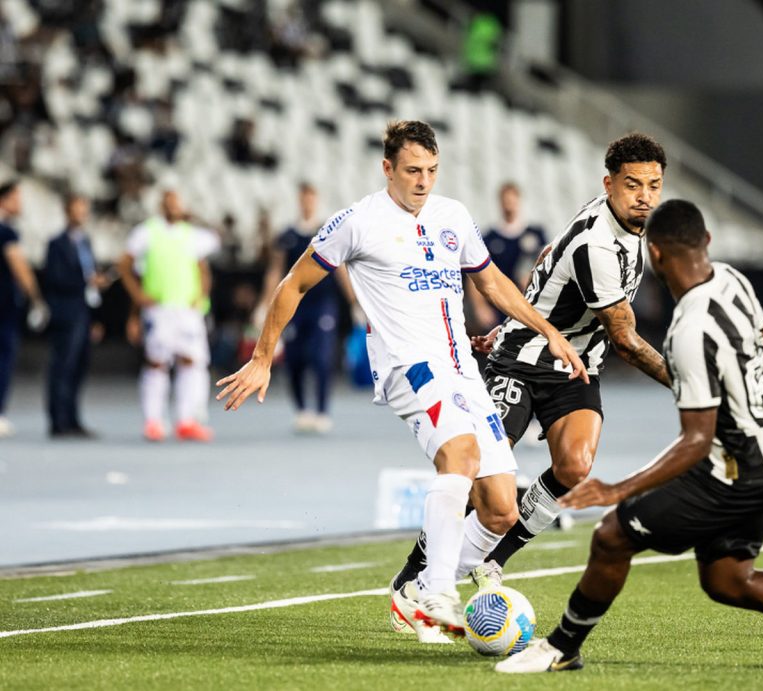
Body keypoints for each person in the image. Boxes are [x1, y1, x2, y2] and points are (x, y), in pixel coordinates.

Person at [495, 199, 763, 677]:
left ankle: (561, 648)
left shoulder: (688, 329)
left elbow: (696, 442)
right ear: (706, 241)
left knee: (612, 535)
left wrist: (619, 489)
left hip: (736, 467)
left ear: (655, 254)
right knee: (728, 580)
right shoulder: (732, 279)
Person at [215, 120, 587, 641]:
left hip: (463, 370)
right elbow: (293, 284)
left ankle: (415, 591)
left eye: (432, 170)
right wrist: (262, 356)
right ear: (387, 168)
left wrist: (547, 330)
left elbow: (493, 283)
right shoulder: (357, 222)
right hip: (407, 367)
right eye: (412, 170)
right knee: (460, 456)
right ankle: (438, 594)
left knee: (501, 510)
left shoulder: (452, 215)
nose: (423, 180)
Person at [390, 133, 671, 605]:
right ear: (609, 184)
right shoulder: (597, 245)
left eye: (654, 185)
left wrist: (507, 320)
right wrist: (687, 385)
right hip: (522, 360)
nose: (644, 196)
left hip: (576, 365)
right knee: (479, 476)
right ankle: (413, 576)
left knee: (575, 465)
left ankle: (492, 561)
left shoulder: (621, 223)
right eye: (632, 185)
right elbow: (625, 340)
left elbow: (546, 259)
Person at [118, 188, 220, 442]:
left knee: (191, 361)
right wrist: (138, 297)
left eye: (177, 203)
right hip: (160, 309)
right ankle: (153, 421)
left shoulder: (191, 234)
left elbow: (204, 265)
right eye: (169, 203)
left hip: (187, 310)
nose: (174, 207)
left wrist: (201, 295)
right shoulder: (147, 232)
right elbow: (125, 266)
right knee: (157, 362)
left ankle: (186, 420)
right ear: (161, 206)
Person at [257, 182, 358, 433]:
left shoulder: (327, 231)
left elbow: (341, 269)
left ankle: (322, 411)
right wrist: (264, 304)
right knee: (294, 359)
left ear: (316, 200)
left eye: (311, 198)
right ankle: (302, 410)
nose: (307, 203)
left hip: (322, 304)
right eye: (304, 198)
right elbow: (276, 272)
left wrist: (355, 302)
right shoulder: (287, 236)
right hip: (295, 307)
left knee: (322, 358)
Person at [44, 194, 105, 438]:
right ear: (67, 211)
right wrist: (87, 281)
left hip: (84, 312)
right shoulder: (56, 244)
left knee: (79, 367)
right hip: (66, 312)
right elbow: (54, 279)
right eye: (77, 209)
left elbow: (90, 279)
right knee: (63, 367)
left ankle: (72, 418)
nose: (81, 214)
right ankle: (58, 420)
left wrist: (96, 318)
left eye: (84, 209)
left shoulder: (85, 242)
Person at [0, 179, 48, 438]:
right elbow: (19, 266)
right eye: (17, 198)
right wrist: (36, 298)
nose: (20, 204)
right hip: (4, 307)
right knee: (4, 357)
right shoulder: (6, 232)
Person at [469, 182, 547, 329]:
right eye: (506, 201)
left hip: (529, 306)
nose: (509, 205)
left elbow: (548, 267)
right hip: (499, 308)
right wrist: (480, 307)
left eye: (512, 201)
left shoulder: (535, 234)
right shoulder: (489, 238)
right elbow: (474, 276)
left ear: (519, 201)